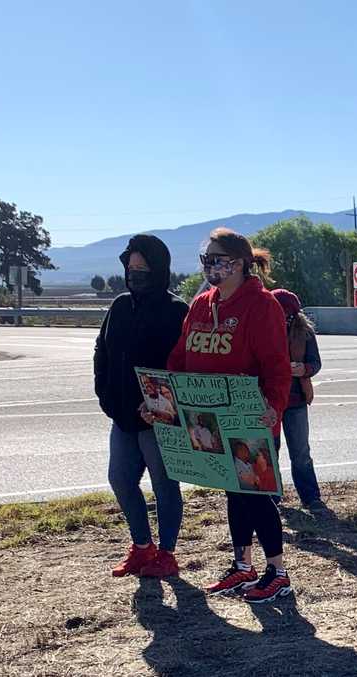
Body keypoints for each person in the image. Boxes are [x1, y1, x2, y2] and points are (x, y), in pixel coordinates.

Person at [158, 227, 293, 604]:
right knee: (233, 493)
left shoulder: (261, 305)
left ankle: (277, 571)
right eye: (207, 259)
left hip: (250, 417)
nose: (209, 266)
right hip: (209, 416)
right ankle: (243, 565)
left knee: (255, 492)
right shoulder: (203, 304)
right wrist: (164, 396)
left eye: (217, 259)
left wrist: (274, 405)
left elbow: (276, 365)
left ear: (239, 264)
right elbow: (181, 357)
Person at [94, 234, 189, 579]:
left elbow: (182, 367)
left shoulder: (177, 311)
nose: (135, 274)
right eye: (130, 267)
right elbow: (101, 350)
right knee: (120, 478)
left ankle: (167, 554)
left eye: (142, 268)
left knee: (164, 485)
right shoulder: (119, 306)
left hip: (159, 420)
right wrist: (104, 393)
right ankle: (141, 546)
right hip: (121, 416)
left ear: (158, 269)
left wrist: (160, 406)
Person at [270, 288, 325, 513]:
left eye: (288, 316)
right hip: (269, 400)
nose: (284, 320)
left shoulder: (305, 333)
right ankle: (271, 498)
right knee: (269, 452)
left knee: (301, 452)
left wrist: (304, 368)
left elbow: (316, 363)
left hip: (296, 401)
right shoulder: (261, 330)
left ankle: (311, 497)